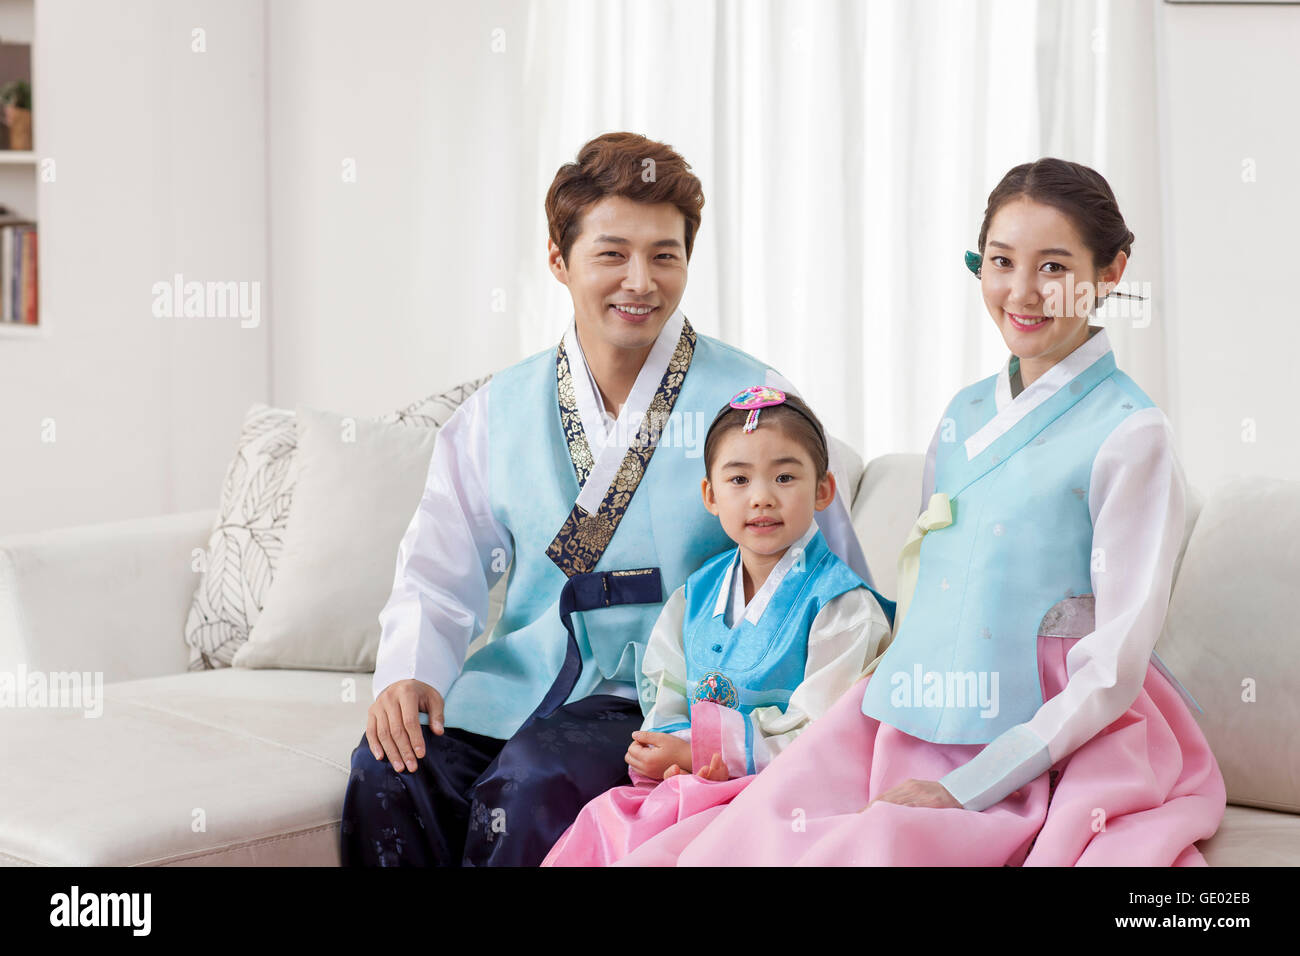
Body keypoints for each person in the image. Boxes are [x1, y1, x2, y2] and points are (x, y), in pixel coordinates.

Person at [619, 158, 1226, 867]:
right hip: (915, 701)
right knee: (730, 842)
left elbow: (1115, 659)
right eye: (1001, 262)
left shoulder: (1132, 433)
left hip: (1051, 726)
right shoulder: (962, 414)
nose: (1022, 292)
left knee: (877, 843)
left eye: (1054, 267)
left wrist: (970, 787)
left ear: (1112, 270)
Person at [339, 132, 874, 866]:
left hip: (663, 701)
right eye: (612, 254)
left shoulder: (754, 404)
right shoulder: (500, 410)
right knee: (386, 772)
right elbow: (438, 569)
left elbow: (836, 576)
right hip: (521, 684)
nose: (640, 281)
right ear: (559, 261)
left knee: (531, 784)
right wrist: (410, 673)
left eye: (665, 255)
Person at [542, 388, 893, 866]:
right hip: (693, 782)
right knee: (604, 821)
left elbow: (824, 735)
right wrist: (667, 748)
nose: (762, 497)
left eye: (785, 477)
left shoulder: (843, 606)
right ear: (710, 494)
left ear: (823, 490)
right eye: (740, 479)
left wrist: (711, 752)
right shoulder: (697, 593)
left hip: (785, 794)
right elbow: (664, 686)